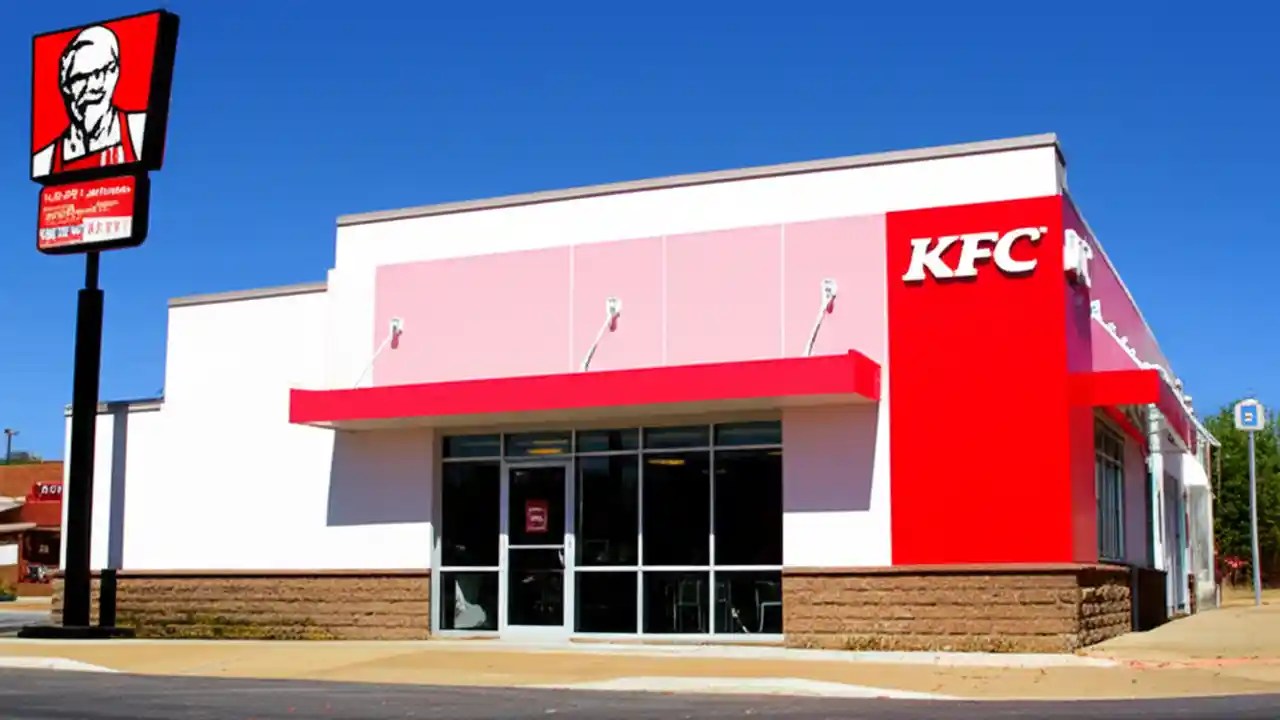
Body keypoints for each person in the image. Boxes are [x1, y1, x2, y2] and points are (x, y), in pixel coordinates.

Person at [32, 25, 147, 178]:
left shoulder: (140, 130)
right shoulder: (43, 161)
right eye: (80, 77)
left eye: (102, 72)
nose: (93, 86)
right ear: (66, 86)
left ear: (115, 73)